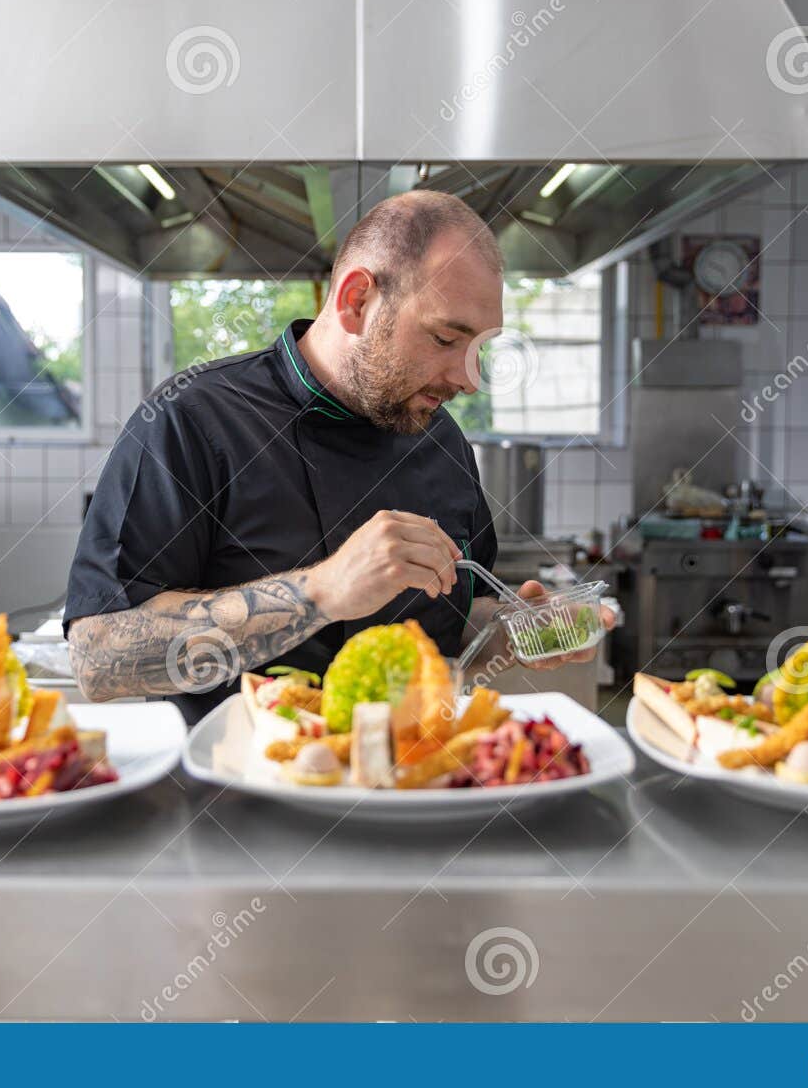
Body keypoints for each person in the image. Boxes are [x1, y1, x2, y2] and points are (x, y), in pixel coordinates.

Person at [64, 190, 611, 721]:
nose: (468, 379)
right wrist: (323, 591)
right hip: (233, 797)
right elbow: (99, 657)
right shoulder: (192, 419)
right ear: (357, 302)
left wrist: (513, 630)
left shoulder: (441, 441)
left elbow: (452, 621)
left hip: (412, 782)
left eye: (478, 350)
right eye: (446, 340)